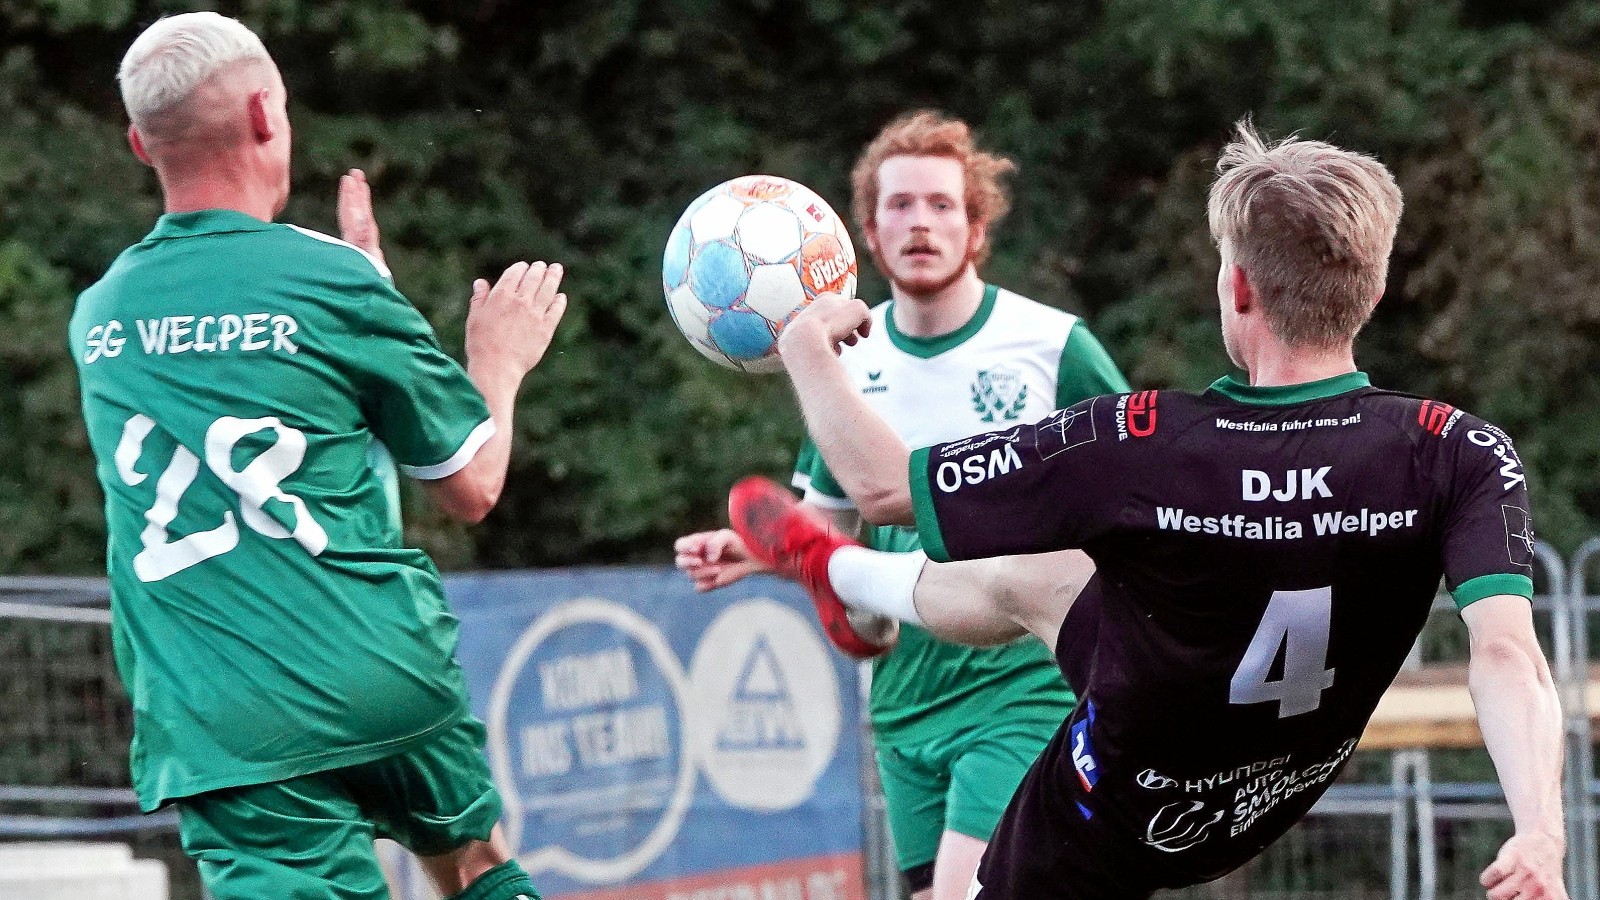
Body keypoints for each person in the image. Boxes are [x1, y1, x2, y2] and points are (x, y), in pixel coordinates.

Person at [726, 121, 1566, 899]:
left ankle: (833, 562)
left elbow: (879, 487)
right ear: (1372, 289)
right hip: (1269, 796)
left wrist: (804, 349)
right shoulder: (1457, 447)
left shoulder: (1140, 440)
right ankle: (832, 567)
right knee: (1038, 572)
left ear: (1236, 287)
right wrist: (1540, 832)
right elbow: (1509, 656)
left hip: (1118, 803)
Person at [70, 13, 562, 900]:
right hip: (382, 666)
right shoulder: (331, 279)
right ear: (267, 113)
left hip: (229, 712)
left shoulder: (100, 313)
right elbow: (472, 484)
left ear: (141, 144)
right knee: (477, 867)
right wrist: (496, 358)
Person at [676, 110, 1129, 900]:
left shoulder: (1054, 347)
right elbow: (831, 545)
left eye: (942, 204)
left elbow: (1139, 498)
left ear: (976, 227)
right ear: (867, 235)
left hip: (1021, 681)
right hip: (903, 692)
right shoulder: (845, 362)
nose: (921, 222)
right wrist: (763, 554)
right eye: (900, 206)